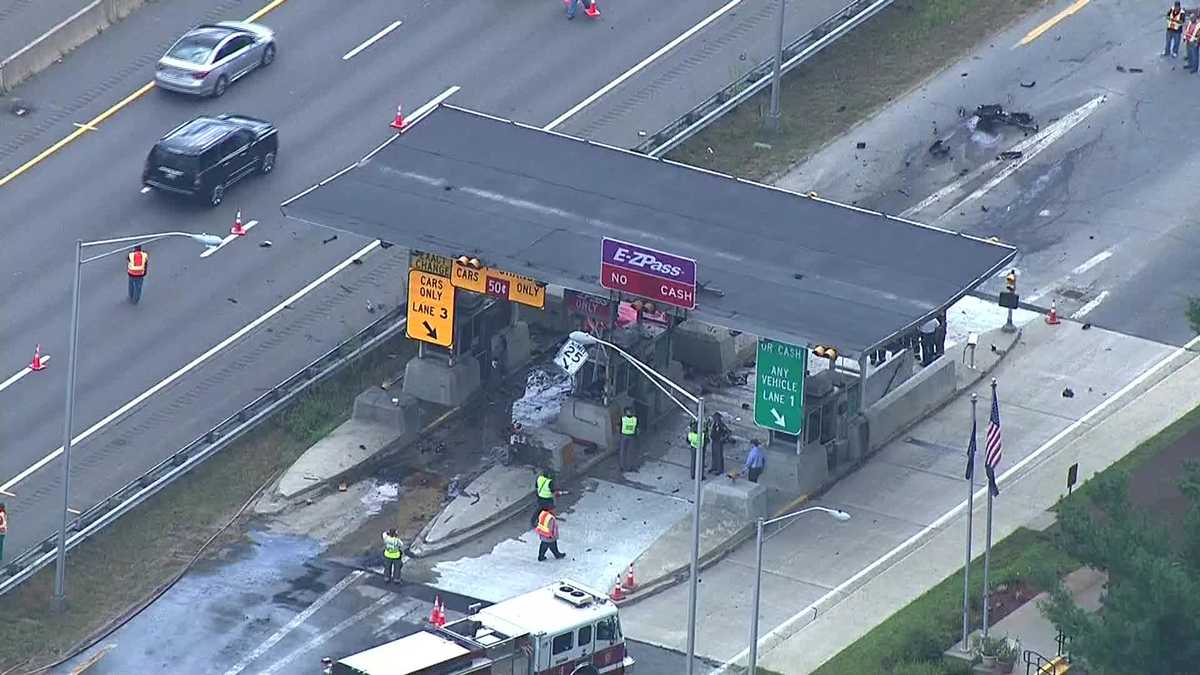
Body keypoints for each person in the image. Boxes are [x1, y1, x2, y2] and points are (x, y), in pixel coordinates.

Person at [708, 412, 729, 476]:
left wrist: (723, 438)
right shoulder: (714, 423)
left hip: (719, 442)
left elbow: (728, 432)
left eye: (715, 417)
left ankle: (720, 469)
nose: (714, 418)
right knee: (714, 454)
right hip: (714, 440)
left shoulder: (721, 424)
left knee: (719, 455)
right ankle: (714, 467)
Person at [619, 407, 638, 472]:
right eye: (628, 411)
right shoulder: (625, 419)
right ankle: (623, 466)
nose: (629, 413)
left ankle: (627, 466)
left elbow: (636, 428)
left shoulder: (632, 419)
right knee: (624, 452)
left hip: (629, 436)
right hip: (626, 436)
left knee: (628, 452)